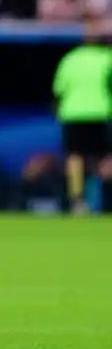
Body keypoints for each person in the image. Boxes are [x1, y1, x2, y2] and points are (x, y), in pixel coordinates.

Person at [51, 21, 112, 213]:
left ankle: (78, 201)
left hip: (72, 114)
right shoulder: (108, 58)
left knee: (75, 158)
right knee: (102, 158)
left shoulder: (70, 59)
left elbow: (58, 91)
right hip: (102, 113)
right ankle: (100, 200)